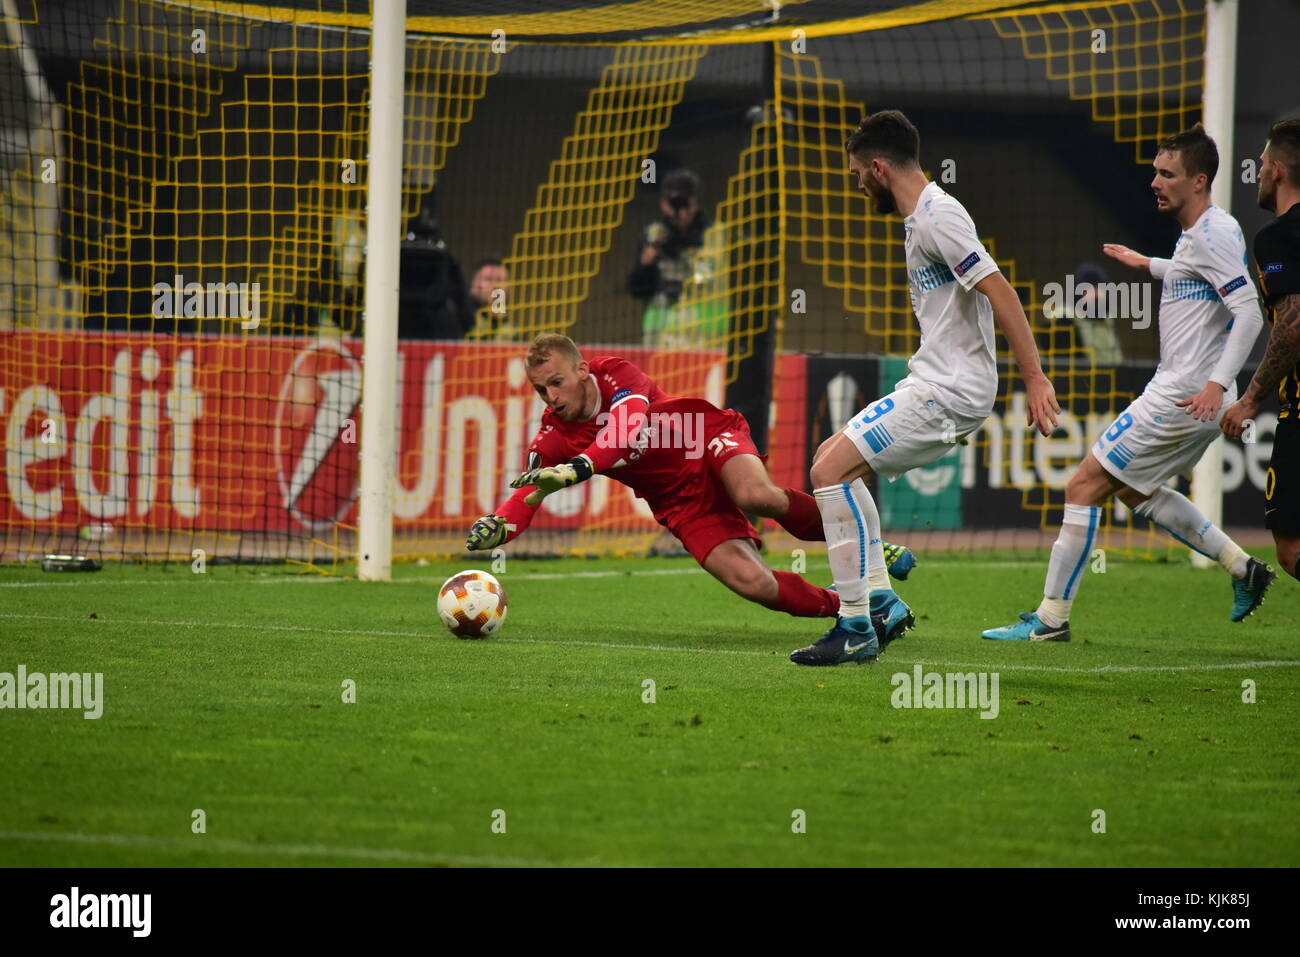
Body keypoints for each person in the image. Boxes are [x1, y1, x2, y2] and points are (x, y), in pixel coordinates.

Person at [983, 124, 1272, 643]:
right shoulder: (1202, 234)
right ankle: (1242, 567)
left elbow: (1248, 311)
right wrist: (1150, 265)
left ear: (1199, 180)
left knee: (1082, 485)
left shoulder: (1213, 233)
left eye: (1168, 174)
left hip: (1184, 392)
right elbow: (1196, 272)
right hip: (1189, 392)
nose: (1155, 183)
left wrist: (1217, 383)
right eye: (1155, 172)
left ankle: (1051, 619)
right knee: (1135, 492)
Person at [790, 110, 1059, 666]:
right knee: (830, 465)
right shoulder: (923, 219)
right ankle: (881, 600)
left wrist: (1034, 377)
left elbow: (1001, 292)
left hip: (950, 389)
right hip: (937, 380)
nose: (858, 184)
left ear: (880, 167)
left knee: (826, 472)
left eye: (858, 174)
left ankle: (856, 624)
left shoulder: (939, 217)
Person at [465, 334, 916, 619]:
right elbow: (525, 496)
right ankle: (856, 609)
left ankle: (869, 543)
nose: (551, 396)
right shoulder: (551, 437)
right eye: (541, 389)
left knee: (755, 494)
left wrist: (581, 466)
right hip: (679, 501)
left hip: (705, 439)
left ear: (582, 370)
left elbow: (625, 429)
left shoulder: (616, 373)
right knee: (754, 584)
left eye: (556, 382)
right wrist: (500, 526)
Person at [1221, 117, 1300, 581]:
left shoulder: (1278, 237)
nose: (1257, 170)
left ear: (1278, 172)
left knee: (1290, 549)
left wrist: (1250, 398)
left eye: (1263, 163)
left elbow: (1291, 327)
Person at [626, 169, 728, 348]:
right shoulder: (653, 235)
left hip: (706, 338)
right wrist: (646, 265)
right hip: (661, 337)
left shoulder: (718, 236)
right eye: (674, 203)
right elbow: (636, 289)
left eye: (685, 202)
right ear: (663, 204)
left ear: (695, 202)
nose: (680, 211)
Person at [466, 258, 513, 340]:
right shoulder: (460, 320)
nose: (495, 285)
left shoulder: (514, 331)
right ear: (473, 283)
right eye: (488, 279)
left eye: (500, 280)